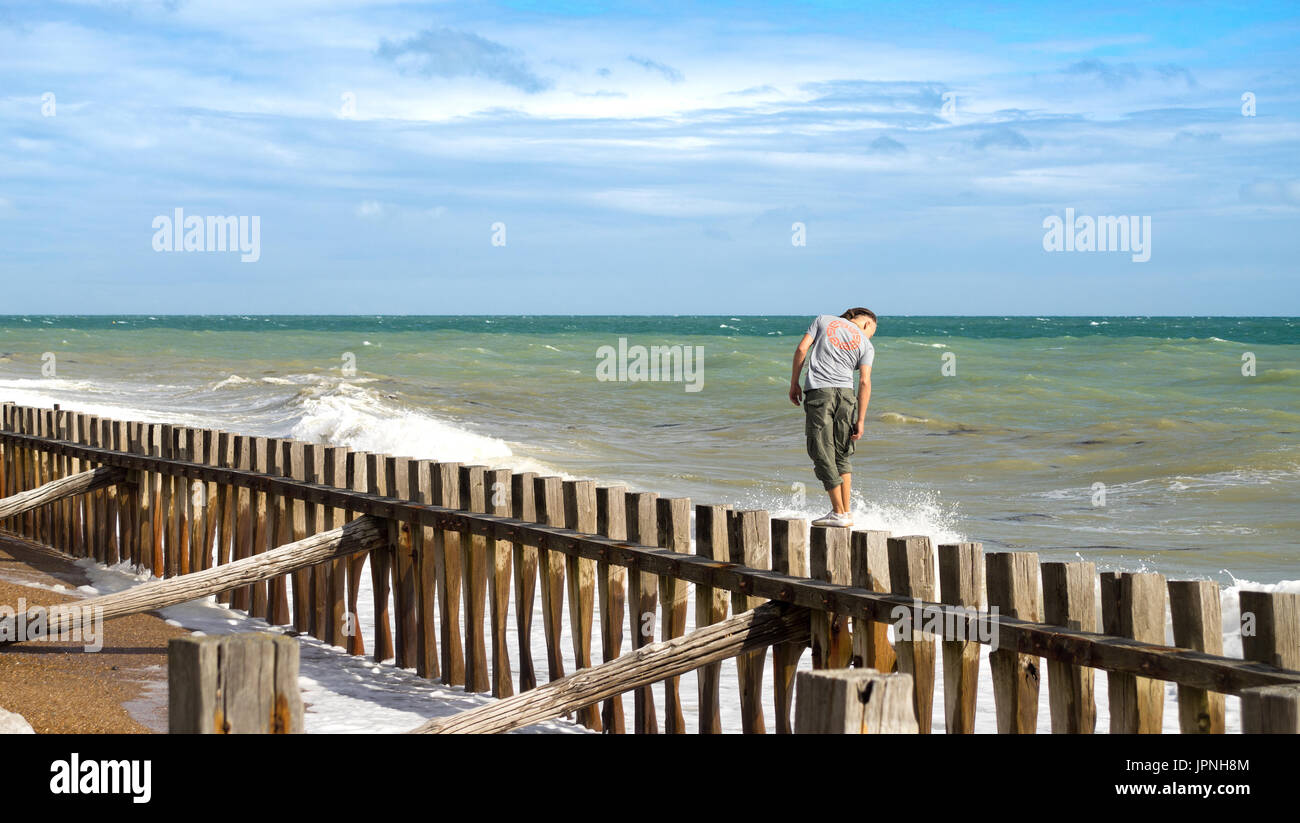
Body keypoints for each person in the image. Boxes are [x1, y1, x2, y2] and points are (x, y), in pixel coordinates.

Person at [788, 308, 877, 527]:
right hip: (847, 396)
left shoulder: (824, 320)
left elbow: (801, 349)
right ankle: (845, 513)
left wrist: (794, 383)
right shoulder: (866, 345)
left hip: (821, 393)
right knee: (841, 454)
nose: (870, 335)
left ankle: (838, 513)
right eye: (872, 331)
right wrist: (862, 420)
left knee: (820, 450)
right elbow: (865, 382)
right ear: (867, 324)